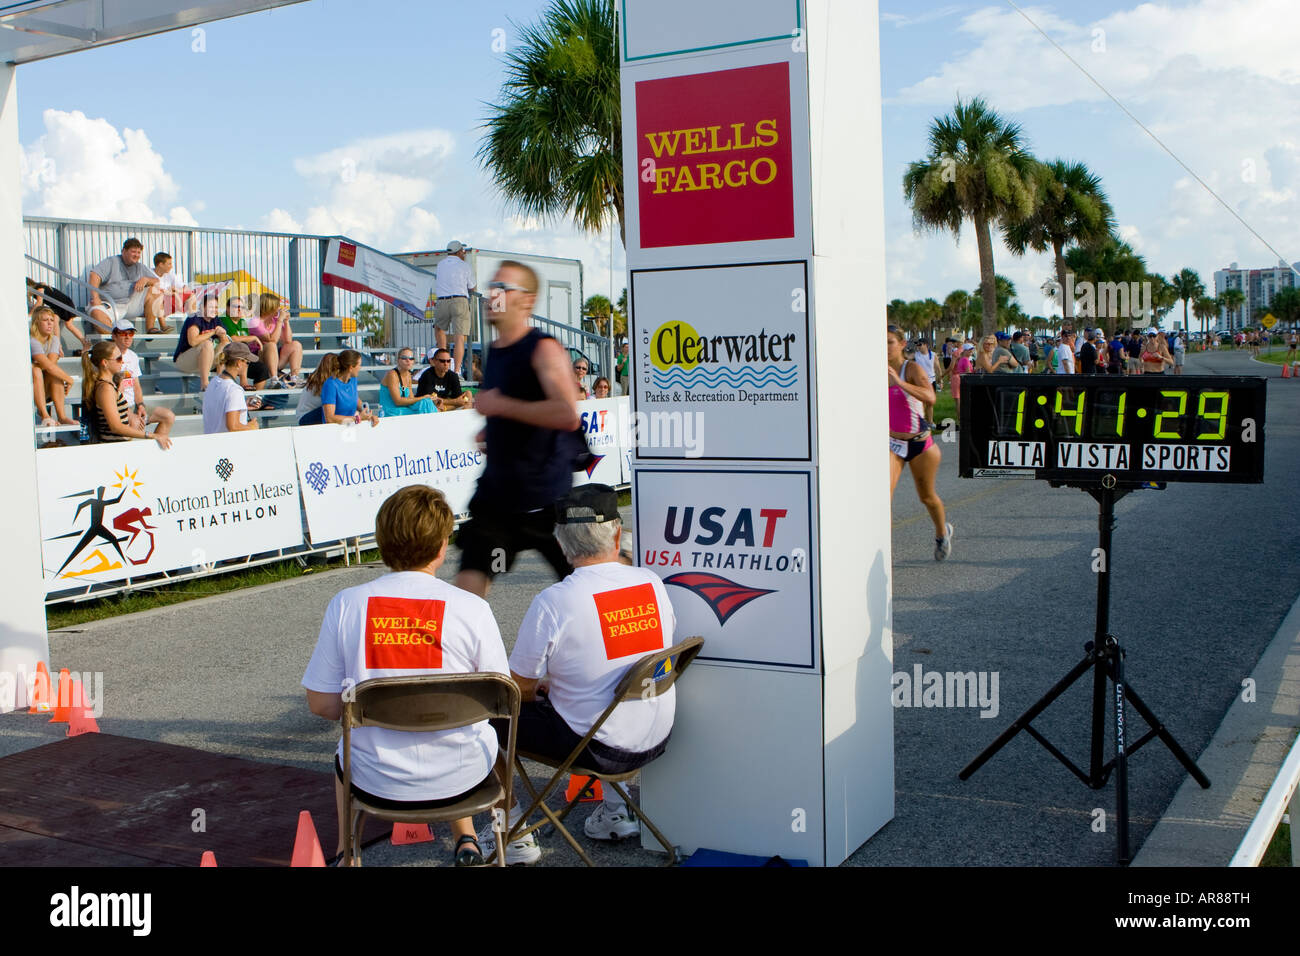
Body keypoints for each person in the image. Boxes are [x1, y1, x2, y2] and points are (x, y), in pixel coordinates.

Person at [303, 485, 509, 867]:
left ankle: (348, 853)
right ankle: (466, 839)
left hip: (377, 780)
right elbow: (499, 699)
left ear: (381, 542)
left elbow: (322, 705)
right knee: (457, 728)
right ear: (442, 546)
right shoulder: (471, 608)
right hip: (463, 777)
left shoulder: (347, 604)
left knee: (343, 751)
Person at [477, 484, 677, 865]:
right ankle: (617, 809)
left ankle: (513, 830)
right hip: (656, 736)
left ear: (561, 542)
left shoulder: (555, 601)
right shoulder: (650, 581)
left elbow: (515, 690)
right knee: (594, 697)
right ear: (617, 534)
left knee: (483, 714)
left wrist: (546, 686)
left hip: (599, 748)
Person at [453, 261, 580, 599]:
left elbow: (567, 414)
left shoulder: (543, 348)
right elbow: (510, 408)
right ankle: (467, 651)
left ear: (527, 300)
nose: (491, 296)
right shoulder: (494, 351)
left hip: (547, 502)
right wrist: (492, 432)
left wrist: (501, 407)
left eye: (501, 288)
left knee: (583, 587)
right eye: (490, 287)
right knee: (471, 582)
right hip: (498, 500)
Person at [887, 326, 951, 561]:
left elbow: (930, 397)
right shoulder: (874, 370)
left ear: (902, 344)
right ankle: (881, 547)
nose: (885, 348)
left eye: (890, 342)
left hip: (919, 443)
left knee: (926, 496)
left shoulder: (910, 368)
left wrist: (899, 383)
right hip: (892, 443)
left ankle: (942, 533)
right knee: (883, 496)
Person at [81, 341, 172, 448]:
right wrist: (150, 435)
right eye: (118, 359)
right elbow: (116, 426)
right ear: (105, 363)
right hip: (114, 448)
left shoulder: (108, 385)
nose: (122, 361)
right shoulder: (105, 388)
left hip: (119, 446)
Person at [87, 238, 166, 336]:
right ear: (124, 251)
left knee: (155, 290)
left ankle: (150, 328)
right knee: (96, 313)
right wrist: (95, 297)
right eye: (133, 251)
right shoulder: (111, 261)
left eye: (138, 252)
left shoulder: (140, 267)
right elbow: (94, 275)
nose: (136, 255)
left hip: (130, 304)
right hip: (110, 305)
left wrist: (146, 279)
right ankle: (116, 341)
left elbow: (156, 281)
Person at [111, 319, 176, 437]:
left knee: (168, 416)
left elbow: (136, 385)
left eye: (130, 334)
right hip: (117, 407)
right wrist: (127, 411)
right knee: (135, 423)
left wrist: (141, 405)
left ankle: (155, 447)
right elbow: (111, 391)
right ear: (114, 336)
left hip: (132, 405)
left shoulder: (133, 356)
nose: (127, 337)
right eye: (123, 333)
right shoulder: (109, 356)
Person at [301, 348, 377, 426]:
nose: (360, 368)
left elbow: (354, 398)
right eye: (359, 365)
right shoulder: (331, 384)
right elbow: (330, 418)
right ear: (351, 368)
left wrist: (369, 415)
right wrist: (358, 418)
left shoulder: (353, 379)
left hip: (349, 429)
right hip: (334, 431)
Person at [434, 240, 476, 381]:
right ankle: (456, 371)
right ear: (459, 252)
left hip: (442, 301)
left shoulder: (440, 265)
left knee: (440, 330)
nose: (464, 254)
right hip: (459, 300)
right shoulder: (465, 266)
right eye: (463, 252)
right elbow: (472, 287)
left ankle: (442, 364)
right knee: (459, 336)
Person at [173, 292, 230, 390]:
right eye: (211, 307)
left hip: (205, 360)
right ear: (202, 307)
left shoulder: (216, 320)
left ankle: (221, 381)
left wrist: (223, 334)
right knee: (207, 344)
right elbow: (193, 342)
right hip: (184, 360)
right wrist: (212, 332)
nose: (214, 310)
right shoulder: (194, 318)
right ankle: (205, 384)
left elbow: (225, 343)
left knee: (226, 346)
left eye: (216, 307)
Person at [30, 306, 77, 426]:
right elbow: (47, 366)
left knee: (52, 373)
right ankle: (45, 415)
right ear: (37, 323)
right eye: (45, 320)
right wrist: (70, 380)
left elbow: (50, 364)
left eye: (51, 320)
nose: (50, 323)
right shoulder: (32, 340)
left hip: (45, 384)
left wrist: (39, 364)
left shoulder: (54, 340)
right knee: (36, 370)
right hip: (29, 387)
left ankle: (62, 417)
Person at [203, 344, 262, 434]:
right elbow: (233, 427)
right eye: (247, 362)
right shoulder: (234, 390)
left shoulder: (213, 382)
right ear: (239, 363)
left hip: (211, 440)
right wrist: (252, 426)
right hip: (228, 445)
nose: (247, 366)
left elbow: (219, 410)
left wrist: (242, 407)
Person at [248, 292, 304, 384]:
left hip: (274, 358)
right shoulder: (255, 322)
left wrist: (286, 322)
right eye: (277, 306)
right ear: (269, 307)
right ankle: (274, 379)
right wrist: (279, 321)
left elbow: (287, 340)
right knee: (270, 344)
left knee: (296, 345)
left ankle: (294, 377)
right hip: (258, 358)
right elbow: (272, 340)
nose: (279, 309)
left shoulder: (275, 320)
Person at [27, 278, 89, 353]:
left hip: (63, 304)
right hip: (58, 305)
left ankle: (84, 343)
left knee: (68, 324)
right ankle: (59, 346)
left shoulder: (39, 288)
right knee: (58, 322)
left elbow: (39, 303)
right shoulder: (40, 287)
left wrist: (30, 314)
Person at [379, 348, 437, 417]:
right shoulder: (392, 374)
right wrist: (423, 397)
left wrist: (429, 400)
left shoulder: (408, 375)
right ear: (398, 360)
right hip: (391, 411)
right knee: (424, 405)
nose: (408, 360)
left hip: (404, 408)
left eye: (411, 358)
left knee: (427, 403)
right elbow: (398, 401)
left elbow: (411, 399)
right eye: (404, 358)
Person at [296, 353, 338, 426]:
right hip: (306, 418)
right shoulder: (324, 383)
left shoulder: (318, 379)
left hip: (305, 416)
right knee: (336, 407)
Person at [149, 253, 184, 331]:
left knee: (189, 296)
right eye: (169, 264)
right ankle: (163, 325)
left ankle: (192, 324)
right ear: (161, 264)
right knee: (158, 295)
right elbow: (154, 290)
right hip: (151, 304)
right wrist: (170, 292)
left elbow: (183, 288)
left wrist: (176, 290)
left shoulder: (170, 274)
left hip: (164, 305)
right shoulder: (149, 273)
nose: (171, 266)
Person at [949, 342, 974, 424]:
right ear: (965, 351)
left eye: (972, 350)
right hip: (961, 380)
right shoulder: (966, 360)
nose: (971, 352)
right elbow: (968, 373)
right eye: (969, 350)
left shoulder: (962, 359)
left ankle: (960, 418)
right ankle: (962, 418)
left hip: (957, 378)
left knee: (958, 400)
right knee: (961, 400)